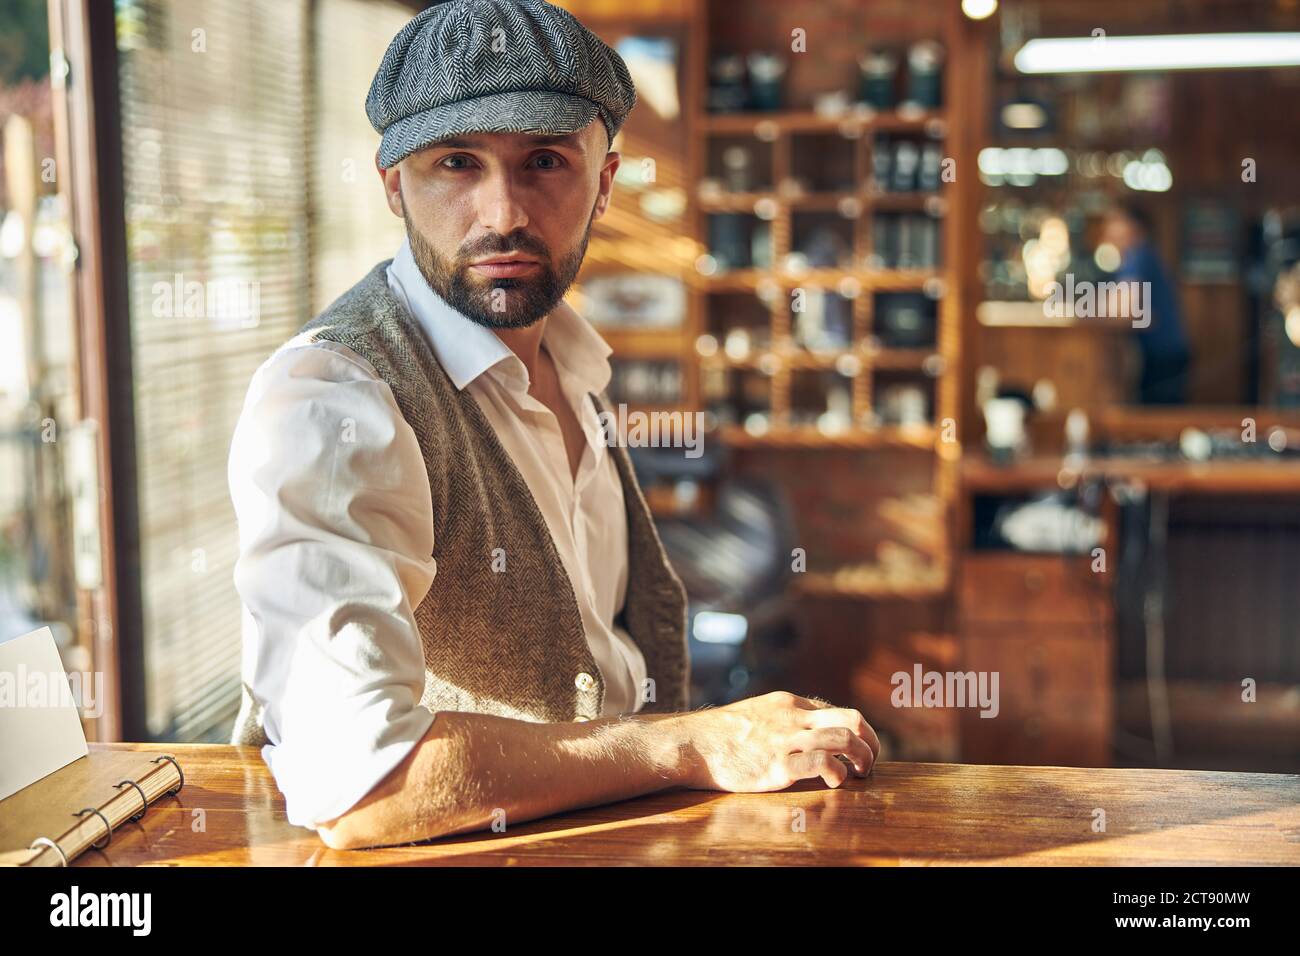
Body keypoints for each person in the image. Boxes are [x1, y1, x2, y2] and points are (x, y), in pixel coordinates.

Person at [227, 0, 878, 850]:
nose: (503, 214)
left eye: (543, 161)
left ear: (604, 183)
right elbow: (368, 785)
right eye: (456, 163)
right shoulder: (332, 399)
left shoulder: (573, 365)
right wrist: (694, 741)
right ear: (394, 185)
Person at [1101, 201, 1191, 404]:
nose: (1108, 228)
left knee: (1160, 421)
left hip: (1163, 354)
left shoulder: (1139, 256)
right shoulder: (1136, 256)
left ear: (1134, 226)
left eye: (1115, 221)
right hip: (1162, 352)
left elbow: (1124, 309)